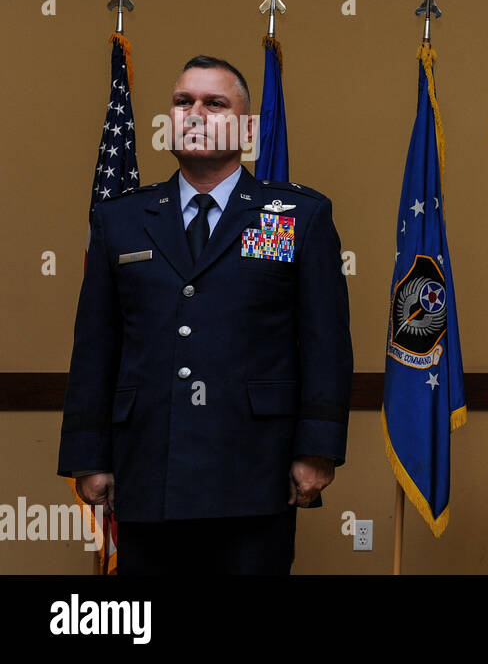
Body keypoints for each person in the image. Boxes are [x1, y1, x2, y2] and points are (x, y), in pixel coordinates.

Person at [58, 55, 353, 575]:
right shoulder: (121, 219)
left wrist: (318, 449)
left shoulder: (296, 216)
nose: (195, 112)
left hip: (254, 468)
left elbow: (325, 343)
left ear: (246, 127)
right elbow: (96, 346)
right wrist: (88, 455)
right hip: (148, 467)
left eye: (215, 103)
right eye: (183, 102)